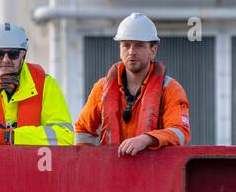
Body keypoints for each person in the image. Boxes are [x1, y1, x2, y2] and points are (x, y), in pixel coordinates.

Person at [73, 13, 190, 154]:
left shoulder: (171, 89)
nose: (131, 52)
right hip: (111, 170)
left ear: (153, 51)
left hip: (154, 172)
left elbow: (180, 132)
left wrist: (146, 139)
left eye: (139, 45)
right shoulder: (101, 88)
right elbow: (83, 130)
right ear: (120, 51)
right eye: (126, 45)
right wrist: (89, 162)